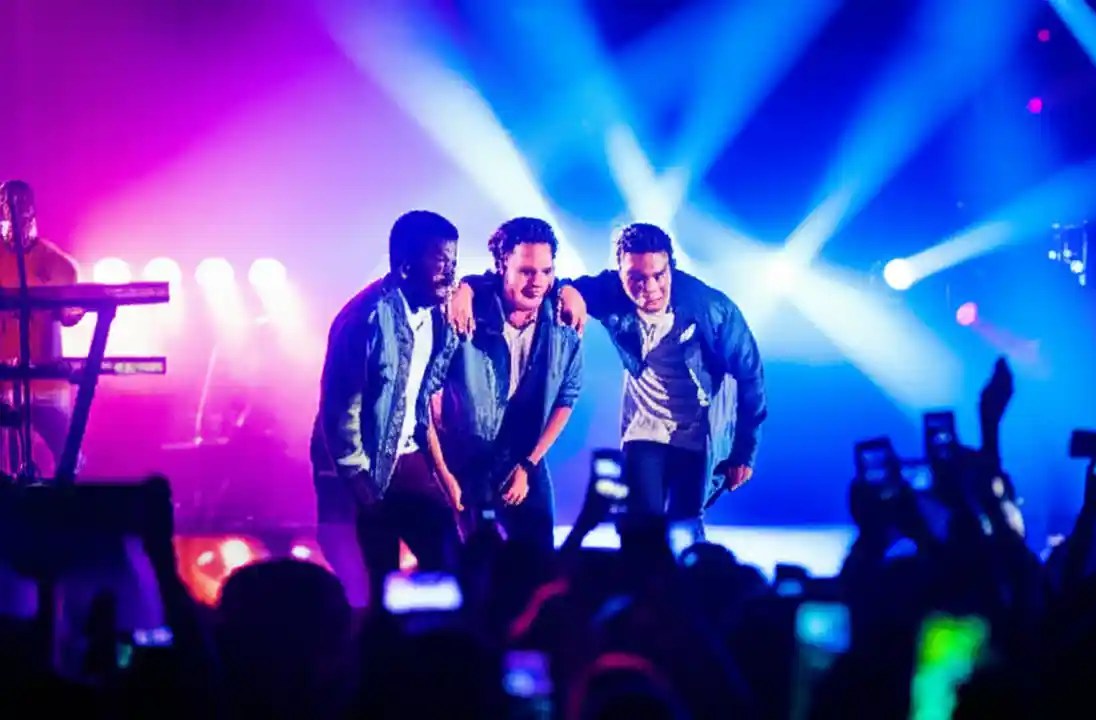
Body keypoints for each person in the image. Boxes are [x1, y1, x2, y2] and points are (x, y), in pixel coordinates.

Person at [451, 223, 765, 540]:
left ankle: (686, 585)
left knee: (684, 523)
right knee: (642, 525)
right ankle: (644, 587)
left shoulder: (712, 308)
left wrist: (744, 453)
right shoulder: (609, 292)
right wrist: (468, 287)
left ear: (671, 267)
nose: (650, 287)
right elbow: (545, 286)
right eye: (636, 278)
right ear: (619, 272)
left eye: (659, 275)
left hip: (701, 432)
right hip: (645, 429)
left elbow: (750, 375)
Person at [310, 210, 463, 602]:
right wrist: (356, 477)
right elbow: (340, 406)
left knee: (448, 559)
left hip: (406, 458)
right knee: (377, 579)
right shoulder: (365, 318)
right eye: (441, 262)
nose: (451, 273)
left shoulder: (438, 313)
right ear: (407, 266)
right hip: (358, 465)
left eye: (454, 261)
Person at [429, 218, 582, 552]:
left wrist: (529, 463)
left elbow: (567, 397)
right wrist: (443, 462)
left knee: (540, 557)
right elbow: (429, 391)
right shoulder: (464, 313)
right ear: (501, 267)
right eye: (527, 272)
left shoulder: (563, 322)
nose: (538, 282)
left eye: (546, 271)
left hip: (526, 456)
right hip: (468, 458)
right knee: (478, 563)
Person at [0, 180, 85, 476]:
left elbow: (71, 314)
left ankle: (66, 510)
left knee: (66, 453)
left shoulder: (58, 264)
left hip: (45, 381)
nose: (14, 211)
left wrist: (74, 310)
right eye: (8, 204)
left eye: (22, 204)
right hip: (1, 382)